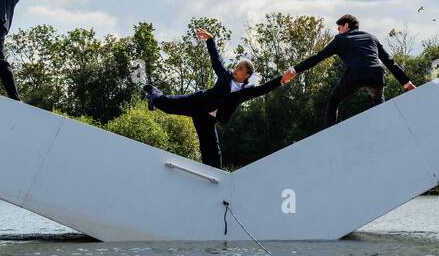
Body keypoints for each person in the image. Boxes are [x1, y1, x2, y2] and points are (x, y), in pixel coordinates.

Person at [143, 28, 283, 169]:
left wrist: (282, 80)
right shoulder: (224, 75)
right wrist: (210, 40)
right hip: (198, 102)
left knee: (212, 149)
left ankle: (214, 173)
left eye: (240, 69)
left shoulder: (245, 91)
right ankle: (154, 94)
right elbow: (215, 59)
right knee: (168, 105)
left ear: (247, 75)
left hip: (208, 119)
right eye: (236, 66)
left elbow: (264, 88)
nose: (235, 69)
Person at [281, 14, 416, 128]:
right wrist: (407, 83)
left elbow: (317, 58)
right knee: (378, 99)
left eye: (339, 28)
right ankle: (383, 127)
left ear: (346, 26)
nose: (338, 31)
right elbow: (389, 61)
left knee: (334, 101)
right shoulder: (372, 37)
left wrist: (293, 70)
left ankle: (330, 134)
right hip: (376, 73)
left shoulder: (340, 39)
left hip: (355, 74)